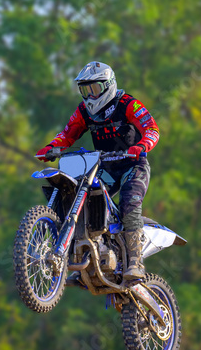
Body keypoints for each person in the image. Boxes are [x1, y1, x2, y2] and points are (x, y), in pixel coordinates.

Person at [37, 61, 160, 284]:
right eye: (85, 90)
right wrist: (52, 147)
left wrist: (142, 146)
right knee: (80, 200)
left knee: (129, 204)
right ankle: (82, 260)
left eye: (94, 89)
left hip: (133, 165)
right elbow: (67, 133)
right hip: (104, 167)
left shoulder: (128, 104)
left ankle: (135, 262)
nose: (90, 96)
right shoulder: (84, 111)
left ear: (108, 85)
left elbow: (151, 128)